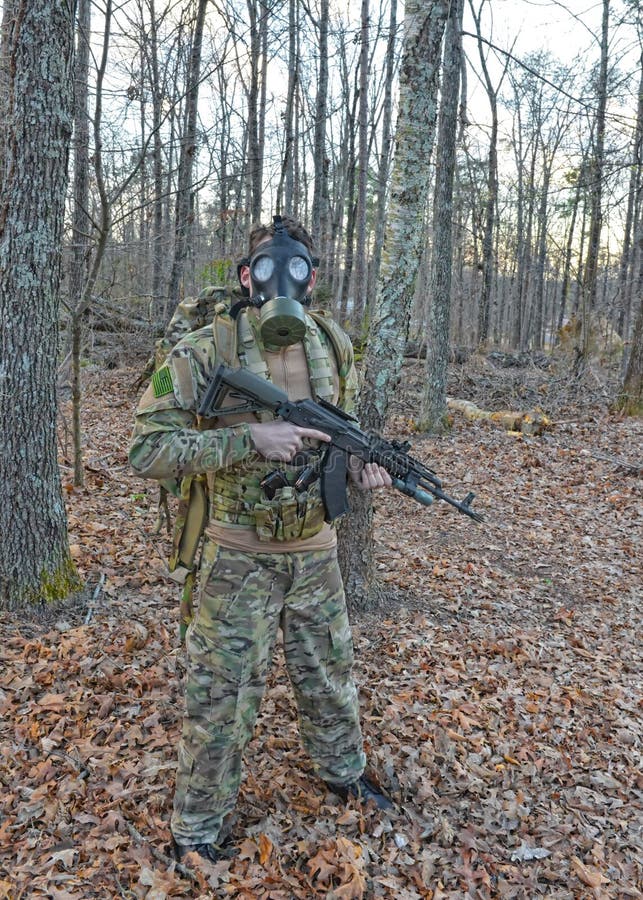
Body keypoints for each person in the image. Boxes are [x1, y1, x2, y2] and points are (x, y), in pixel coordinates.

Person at [129, 214, 393, 864]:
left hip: (314, 555)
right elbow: (145, 450)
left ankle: (343, 772)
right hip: (233, 557)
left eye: (297, 266)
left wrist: (362, 468)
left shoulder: (332, 344)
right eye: (269, 266)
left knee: (328, 676)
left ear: (311, 277)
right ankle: (196, 830)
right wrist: (244, 439)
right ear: (247, 276)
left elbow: (340, 436)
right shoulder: (204, 349)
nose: (282, 277)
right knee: (221, 697)